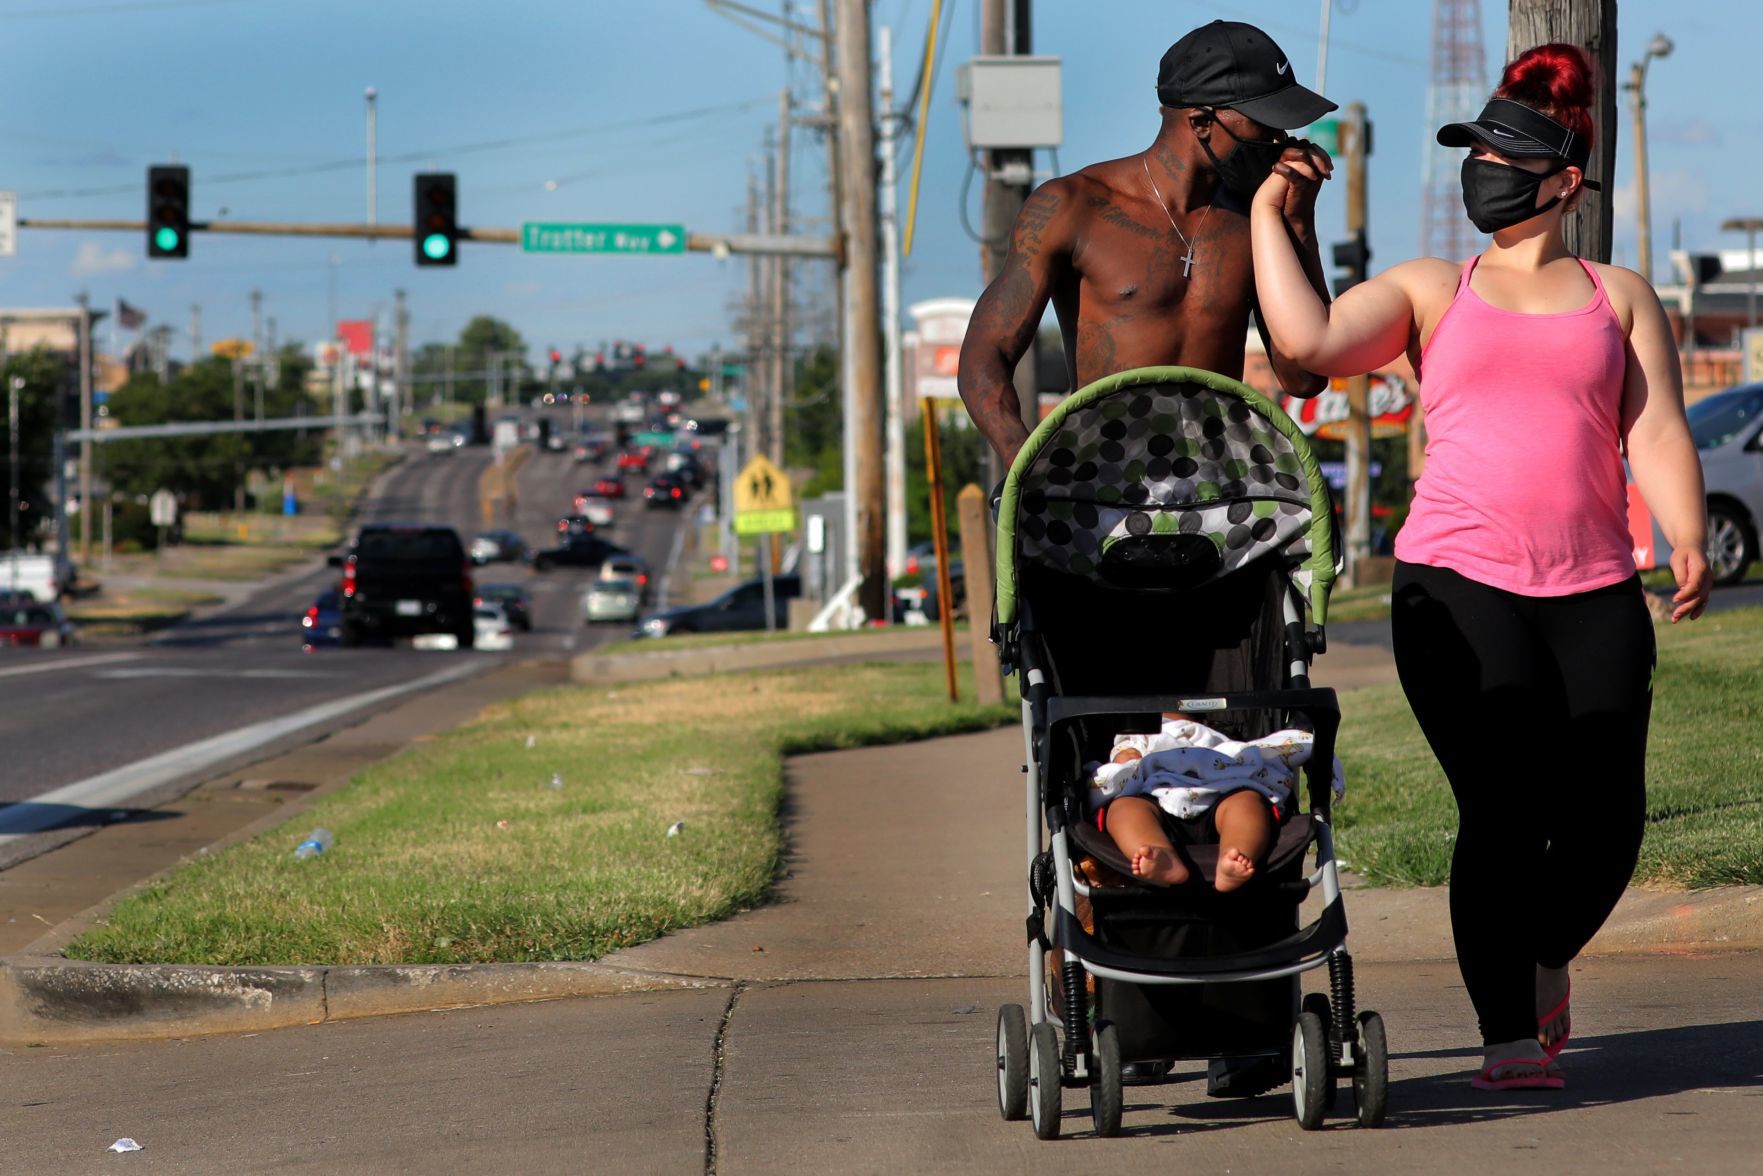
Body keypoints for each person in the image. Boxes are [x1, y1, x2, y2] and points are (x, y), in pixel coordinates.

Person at [1248, 43, 1711, 1093]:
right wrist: (1265, 219)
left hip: (1592, 588)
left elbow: (1657, 434)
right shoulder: (1426, 287)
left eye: (1505, 150)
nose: (1482, 165)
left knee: (1603, 822)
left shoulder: (1619, 295)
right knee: (1500, 809)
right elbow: (1308, 340)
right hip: (1453, 587)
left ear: (1562, 180)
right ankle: (1505, 1031)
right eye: (1473, 145)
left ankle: (1540, 947)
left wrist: (1681, 533)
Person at [958, 19, 1337, 465]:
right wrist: (1026, 465)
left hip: (1217, 487)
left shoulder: (1256, 221)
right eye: (1267, 126)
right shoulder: (1073, 206)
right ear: (1200, 121)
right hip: (1101, 485)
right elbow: (985, 358)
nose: (1283, 143)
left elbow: (1305, 379)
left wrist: (1296, 221)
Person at [1088, 714, 1340, 893]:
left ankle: (1237, 852)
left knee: (1248, 803)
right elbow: (1119, 768)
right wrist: (1126, 758)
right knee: (1124, 809)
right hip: (1154, 795)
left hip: (1221, 791)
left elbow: (1256, 751)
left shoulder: (1219, 737)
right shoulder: (1135, 736)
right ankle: (1155, 851)